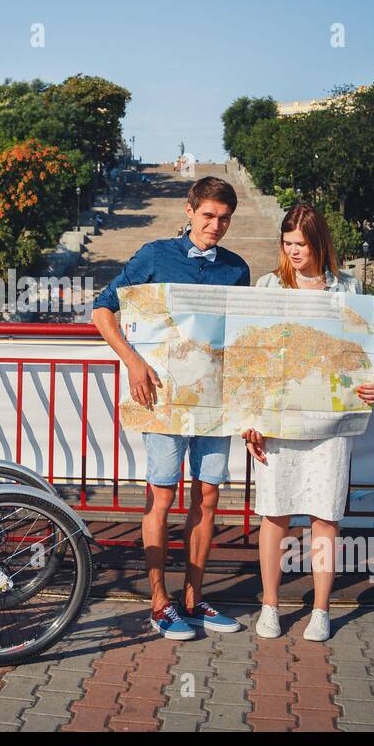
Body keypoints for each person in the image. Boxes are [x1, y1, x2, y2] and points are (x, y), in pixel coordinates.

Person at [89, 176, 250, 640]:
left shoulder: (236, 268)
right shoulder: (154, 255)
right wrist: (133, 362)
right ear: (189, 210)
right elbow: (103, 309)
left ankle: (195, 599)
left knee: (209, 495)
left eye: (224, 219)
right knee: (161, 495)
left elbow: (240, 337)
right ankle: (160, 602)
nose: (215, 226)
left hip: (214, 401)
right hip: (161, 396)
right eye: (208, 216)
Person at [241, 204, 374, 642]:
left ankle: (321, 609)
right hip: (278, 421)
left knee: (325, 514)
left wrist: (372, 386)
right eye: (287, 244)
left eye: (300, 244)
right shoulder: (268, 285)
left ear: (319, 242)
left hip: (331, 422)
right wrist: (249, 419)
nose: (293, 251)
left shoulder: (348, 288)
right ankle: (270, 604)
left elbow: (359, 357)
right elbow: (252, 355)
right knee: (275, 513)